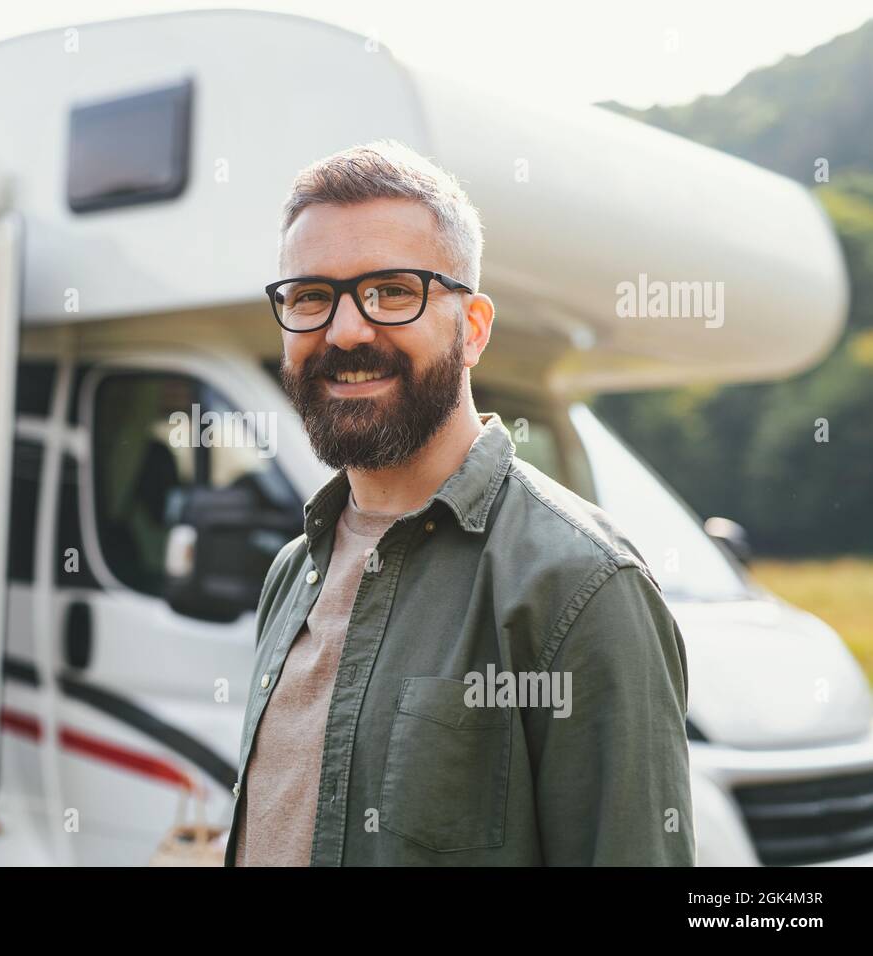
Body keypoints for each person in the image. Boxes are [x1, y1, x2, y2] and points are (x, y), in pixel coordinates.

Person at [225, 140, 695, 865]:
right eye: (311, 297)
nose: (346, 330)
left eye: (393, 290)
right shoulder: (292, 573)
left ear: (472, 329)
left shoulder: (583, 587)